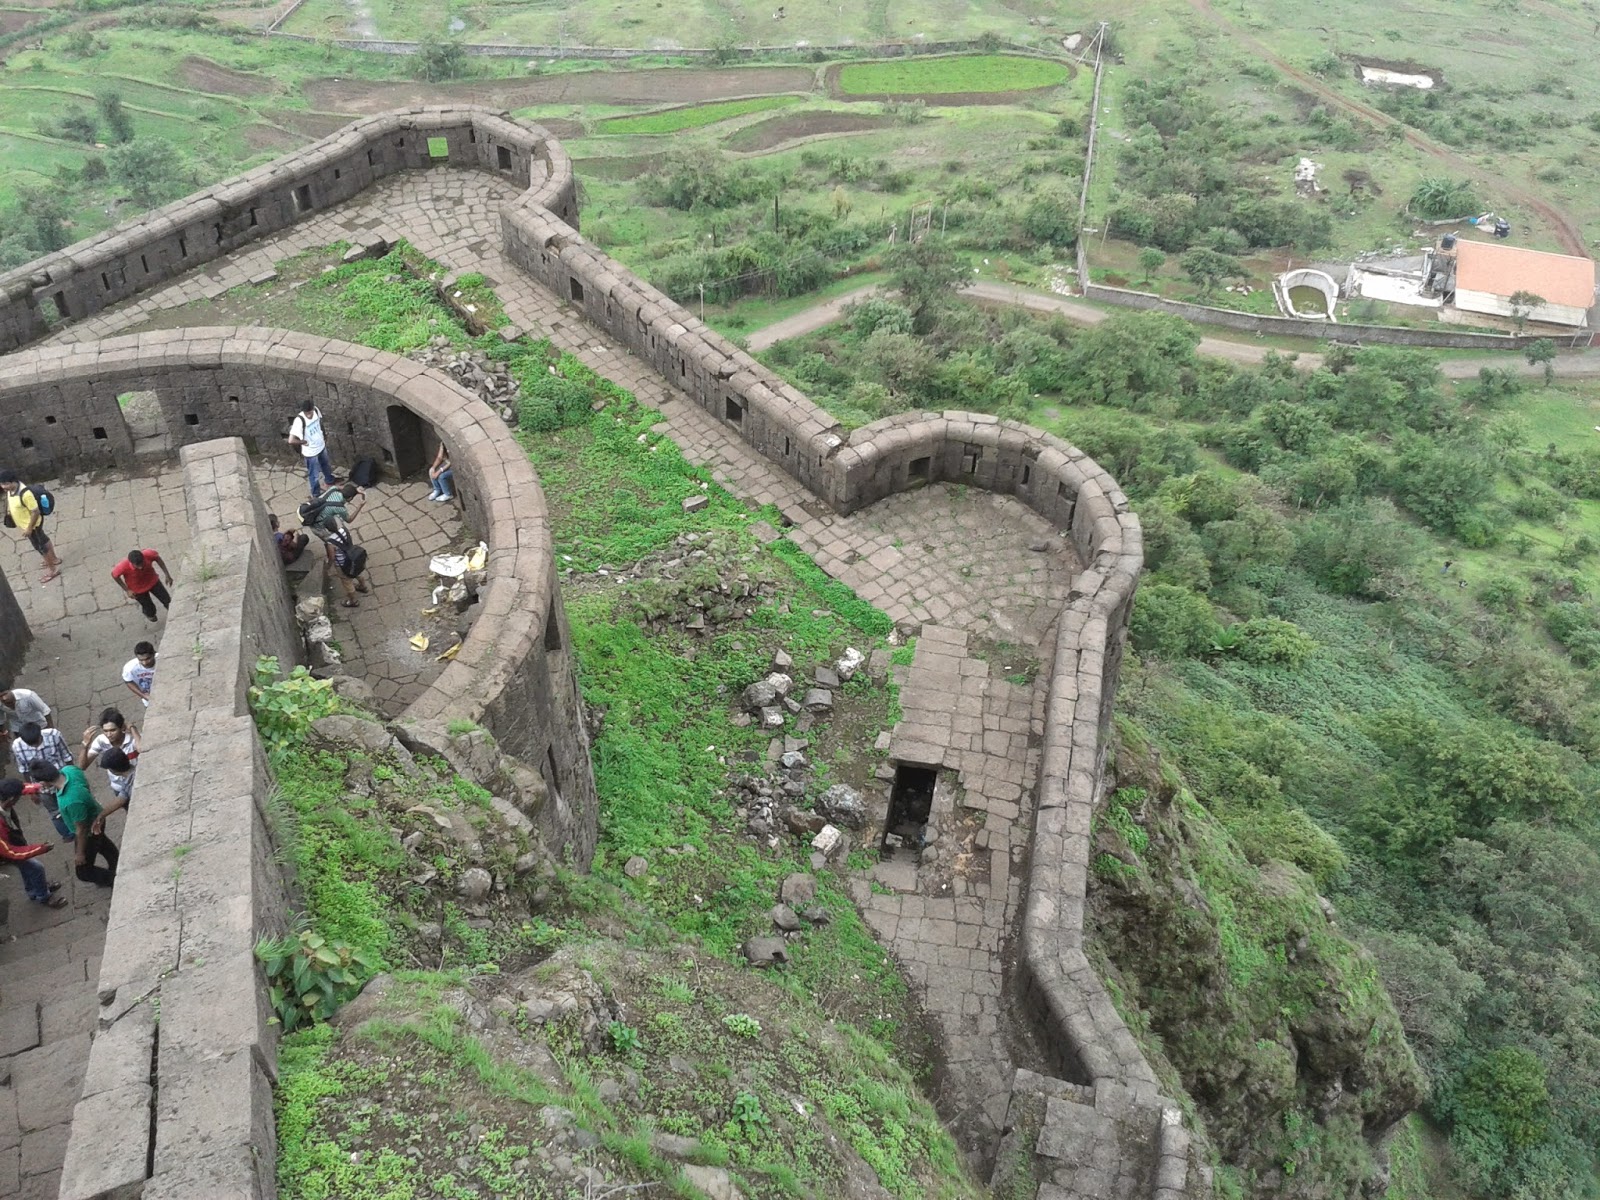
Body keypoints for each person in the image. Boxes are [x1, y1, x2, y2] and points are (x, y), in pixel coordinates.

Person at [31, 762, 116, 888]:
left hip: (89, 831)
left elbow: (81, 829)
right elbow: (86, 785)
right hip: (97, 817)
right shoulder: (70, 770)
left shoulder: (71, 800)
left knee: (83, 871)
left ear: (45, 782)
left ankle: (113, 879)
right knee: (104, 846)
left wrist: (79, 853)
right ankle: (116, 865)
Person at [0, 780, 64, 908]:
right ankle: (43, 896)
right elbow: (10, 852)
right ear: (12, 799)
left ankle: (33, 891)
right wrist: (40, 849)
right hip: (5, 850)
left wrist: (41, 785)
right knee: (36, 868)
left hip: (10, 840)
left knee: (25, 867)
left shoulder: (4, 797)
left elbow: (22, 788)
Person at [12, 721, 74, 840]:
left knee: (71, 805)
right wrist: (32, 791)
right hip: (42, 788)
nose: (36, 746)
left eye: (37, 742)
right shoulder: (17, 746)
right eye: (31, 744)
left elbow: (67, 756)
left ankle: (80, 827)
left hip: (62, 780)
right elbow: (24, 769)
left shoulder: (54, 735)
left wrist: (73, 775)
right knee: (55, 813)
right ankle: (68, 835)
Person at [0, 469, 61, 583]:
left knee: (41, 548)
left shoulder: (25, 494)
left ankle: (52, 570)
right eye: (2, 484)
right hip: (29, 525)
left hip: (33, 526)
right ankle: (54, 559)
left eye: (5, 483)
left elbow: (35, 511)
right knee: (44, 540)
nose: (3, 486)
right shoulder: (12, 489)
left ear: (13, 481)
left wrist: (29, 528)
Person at [286, 398, 334, 498]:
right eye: (306, 413)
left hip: (321, 445)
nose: (309, 415)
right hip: (310, 452)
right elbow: (291, 440)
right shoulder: (299, 421)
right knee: (314, 474)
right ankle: (316, 494)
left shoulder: (316, 410)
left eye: (310, 412)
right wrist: (303, 442)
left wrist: (324, 436)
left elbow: (320, 423)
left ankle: (329, 480)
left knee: (326, 464)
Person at [111, 548, 173, 622]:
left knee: (167, 601)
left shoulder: (149, 554)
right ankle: (149, 614)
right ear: (131, 562)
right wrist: (127, 590)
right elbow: (114, 575)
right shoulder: (123, 566)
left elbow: (158, 559)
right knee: (150, 609)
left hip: (153, 581)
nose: (140, 567)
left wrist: (167, 574)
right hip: (138, 590)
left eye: (141, 563)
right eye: (137, 565)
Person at [79, 708, 141, 775]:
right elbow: (83, 766)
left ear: (122, 727)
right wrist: (85, 746)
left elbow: (141, 749)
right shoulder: (101, 741)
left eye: (113, 730)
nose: (108, 735)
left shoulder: (132, 738)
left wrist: (133, 729)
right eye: (105, 731)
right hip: (117, 784)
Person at [0, 687, 53, 758]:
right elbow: (1, 719)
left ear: (10, 691)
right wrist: (3, 732)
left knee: (46, 747)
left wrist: (51, 729)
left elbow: (46, 711)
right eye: (0, 696)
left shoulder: (28, 696)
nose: (4, 698)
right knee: (26, 751)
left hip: (38, 725)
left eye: (5, 694)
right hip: (19, 729)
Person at [98, 747, 135, 814]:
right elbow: (122, 797)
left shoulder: (131, 784)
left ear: (114, 770)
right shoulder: (128, 779)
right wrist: (101, 815)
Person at [123, 641, 157, 707]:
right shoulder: (130, 668)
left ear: (153, 654)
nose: (144, 663)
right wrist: (144, 696)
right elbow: (128, 681)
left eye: (148, 659)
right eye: (141, 660)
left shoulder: (162, 659)